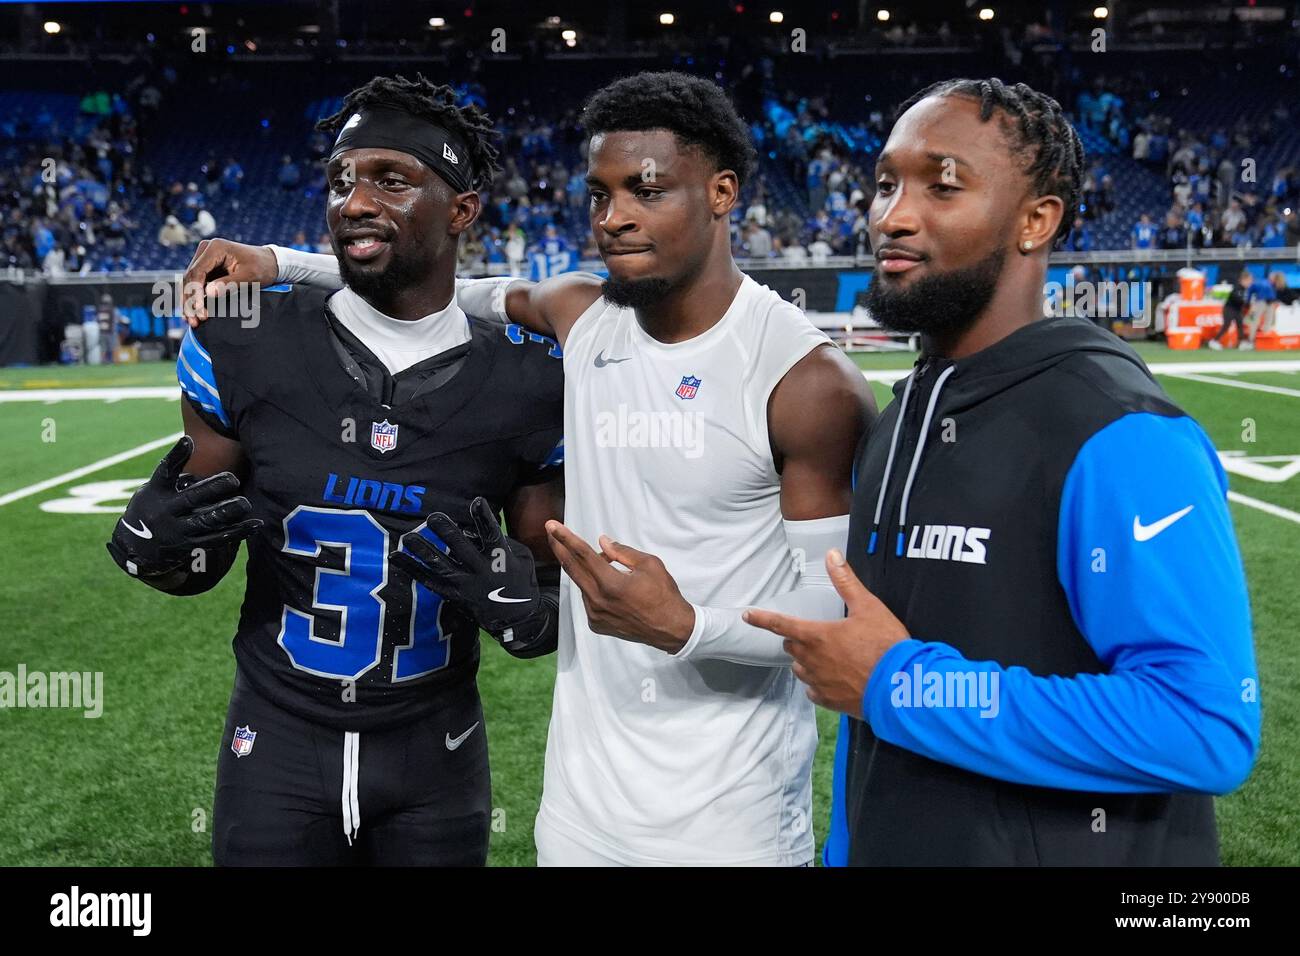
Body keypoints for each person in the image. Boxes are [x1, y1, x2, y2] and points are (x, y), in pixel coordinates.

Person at [191, 70, 875, 866]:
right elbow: (430, 280)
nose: (613, 219)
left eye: (646, 192)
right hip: (579, 818)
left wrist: (685, 627)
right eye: (599, 194)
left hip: (731, 824)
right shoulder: (582, 315)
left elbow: (837, 621)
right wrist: (277, 260)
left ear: (721, 192)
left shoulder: (808, 382)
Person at [747, 78, 1259, 866]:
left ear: (1036, 220)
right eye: (885, 183)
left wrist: (907, 687)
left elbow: (1204, 725)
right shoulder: (903, 415)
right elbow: (869, 685)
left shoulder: (1120, 431)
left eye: (942, 186)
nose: (893, 215)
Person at [117, 75, 565, 866]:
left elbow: (544, 597)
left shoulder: (533, 376)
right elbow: (198, 553)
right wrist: (159, 550)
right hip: (276, 739)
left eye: (391, 179)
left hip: (437, 747)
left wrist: (534, 615)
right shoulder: (242, 338)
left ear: (462, 210)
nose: (353, 201)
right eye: (339, 180)